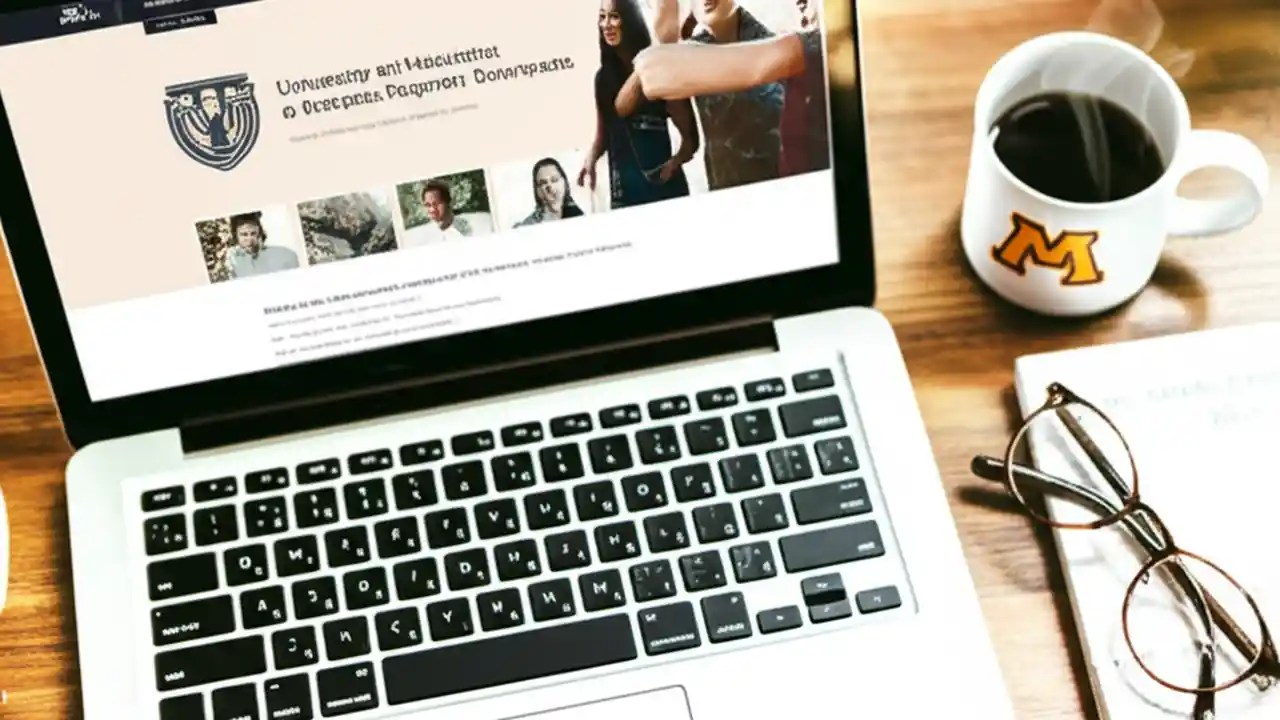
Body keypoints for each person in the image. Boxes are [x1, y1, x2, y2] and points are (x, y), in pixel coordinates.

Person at [625, 0, 831, 177]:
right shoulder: (690, 49)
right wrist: (666, 41)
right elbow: (628, 103)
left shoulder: (777, 42)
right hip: (725, 185)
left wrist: (666, 46)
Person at [580, 0, 699, 210]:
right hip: (624, 197)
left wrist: (674, 164)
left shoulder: (660, 72)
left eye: (614, 16)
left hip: (664, 194)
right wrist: (590, 160)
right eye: (602, 17)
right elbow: (604, 135)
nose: (606, 24)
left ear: (630, 21)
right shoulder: (603, 79)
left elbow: (691, 140)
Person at [224, 212, 299, 279]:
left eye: (253, 233)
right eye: (244, 234)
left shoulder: (285, 255)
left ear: (259, 233)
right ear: (236, 236)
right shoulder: (232, 260)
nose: (249, 238)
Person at [515, 158, 586, 227]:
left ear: (565, 183)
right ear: (537, 191)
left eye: (554, 180)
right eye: (543, 183)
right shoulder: (528, 227)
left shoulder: (579, 215)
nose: (549, 186)